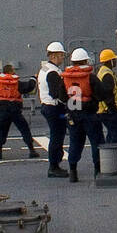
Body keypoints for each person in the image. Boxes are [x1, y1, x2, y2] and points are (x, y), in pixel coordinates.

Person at [62, 48, 103, 183]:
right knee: (96, 143)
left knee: (75, 143)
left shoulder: (65, 77)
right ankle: (98, 171)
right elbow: (101, 94)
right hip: (89, 114)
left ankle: (73, 171)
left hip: (73, 113)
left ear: (72, 61)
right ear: (86, 60)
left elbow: (61, 95)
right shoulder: (90, 77)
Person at [0, 61, 40, 160]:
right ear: (11, 71)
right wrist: (33, 78)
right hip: (15, 110)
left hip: (3, 111)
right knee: (24, 129)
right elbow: (29, 87)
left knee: (1, 130)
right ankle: (31, 150)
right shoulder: (16, 83)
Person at [37, 42, 70, 177]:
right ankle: (53, 166)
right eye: (62, 55)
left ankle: (55, 164)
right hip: (54, 108)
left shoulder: (44, 69)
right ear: (55, 55)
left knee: (56, 136)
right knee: (57, 137)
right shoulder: (52, 72)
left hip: (46, 106)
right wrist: (70, 103)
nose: (63, 58)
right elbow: (56, 93)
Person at [95, 48, 117, 146]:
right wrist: (114, 110)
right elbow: (108, 95)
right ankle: (111, 159)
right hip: (108, 111)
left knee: (112, 133)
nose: (115, 61)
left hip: (104, 110)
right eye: (114, 59)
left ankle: (109, 159)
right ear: (110, 61)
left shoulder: (102, 71)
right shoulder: (107, 75)